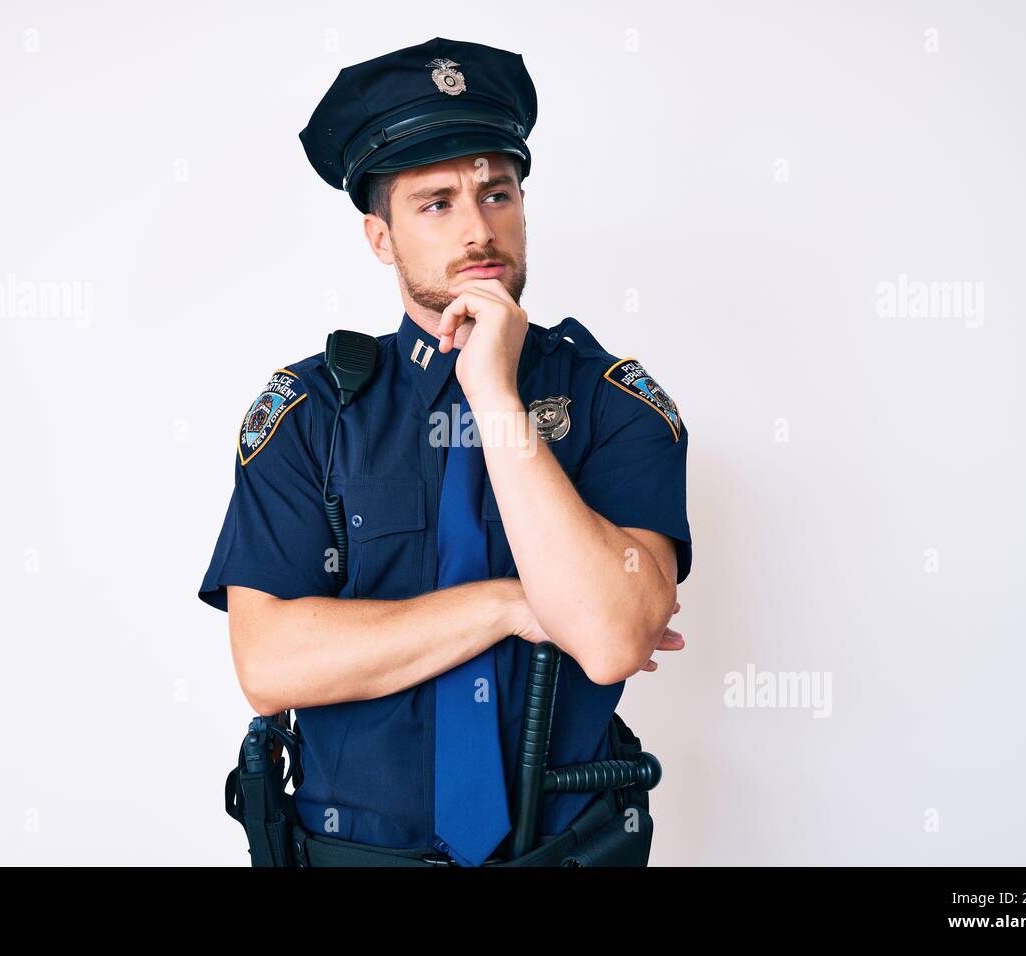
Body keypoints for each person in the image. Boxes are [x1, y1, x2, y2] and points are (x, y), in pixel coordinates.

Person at [199, 36, 691, 866]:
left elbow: (610, 638)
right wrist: (509, 604)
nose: (478, 230)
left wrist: (496, 393)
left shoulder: (612, 401)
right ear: (380, 238)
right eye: (436, 204)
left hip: (564, 845)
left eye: (497, 193)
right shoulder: (309, 412)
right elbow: (272, 661)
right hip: (354, 854)